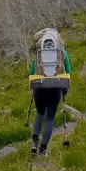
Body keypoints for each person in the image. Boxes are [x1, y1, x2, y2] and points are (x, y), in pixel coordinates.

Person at [28, 28, 72, 156]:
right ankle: (43, 149)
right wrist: (64, 89)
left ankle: (34, 143)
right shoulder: (63, 53)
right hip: (55, 88)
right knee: (49, 119)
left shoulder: (39, 53)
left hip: (39, 88)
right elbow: (68, 71)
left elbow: (31, 73)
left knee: (40, 114)